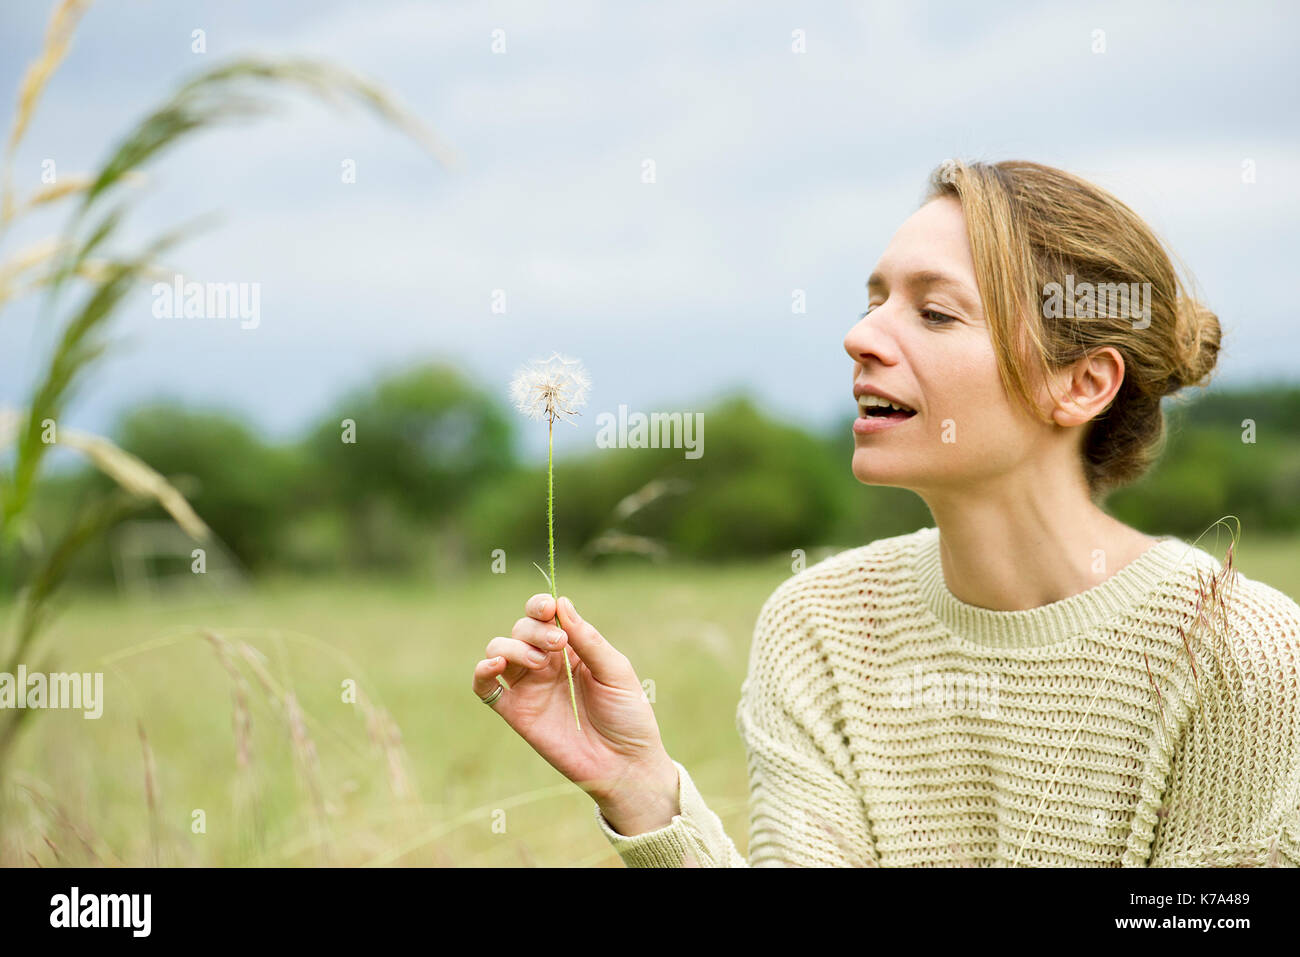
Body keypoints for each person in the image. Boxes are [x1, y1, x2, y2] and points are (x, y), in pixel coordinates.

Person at [471, 158, 1300, 867]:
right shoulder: (822, 627)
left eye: (935, 312)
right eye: (874, 300)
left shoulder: (1243, 654)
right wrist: (643, 789)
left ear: (1082, 383)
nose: (861, 336)